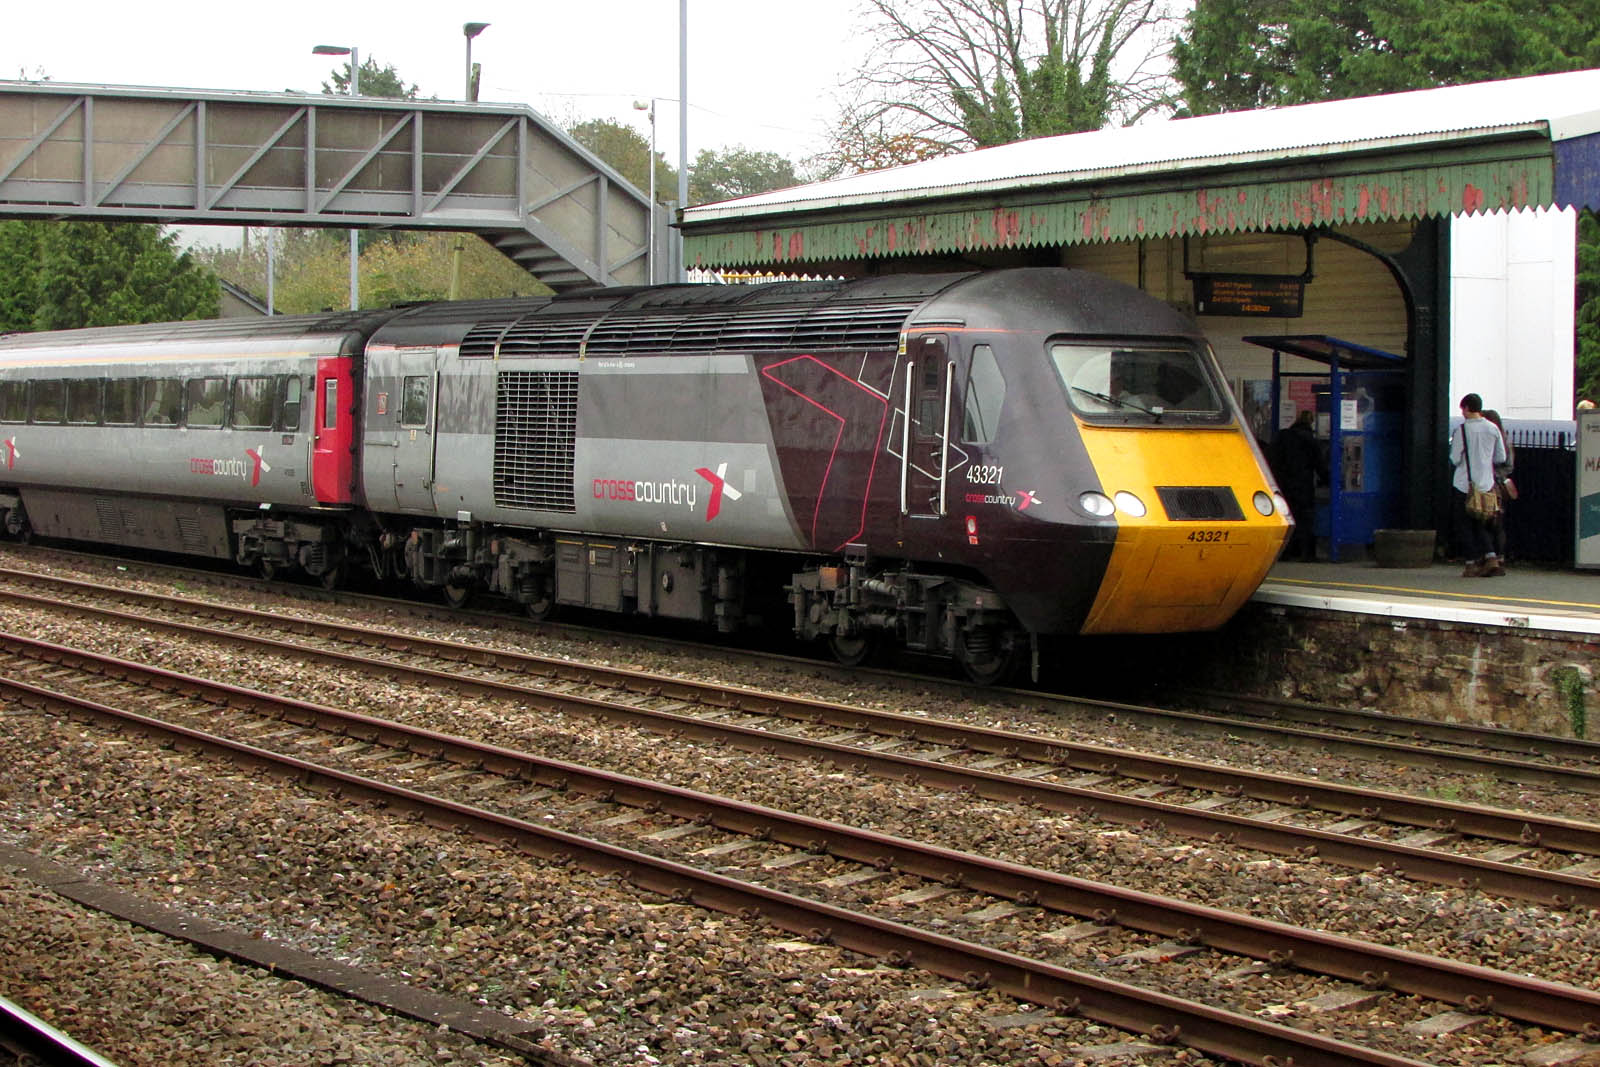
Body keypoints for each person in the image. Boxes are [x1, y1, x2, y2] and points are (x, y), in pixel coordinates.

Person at [1449, 393, 1508, 577]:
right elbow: (1501, 458)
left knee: (1463, 523)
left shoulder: (1462, 430)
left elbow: (1454, 458)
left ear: (1466, 408)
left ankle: (1471, 562)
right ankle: (1491, 557)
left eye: (1463, 409)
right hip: (1487, 485)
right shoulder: (1492, 428)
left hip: (1464, 485)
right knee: (1481, 522)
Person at [1273, 409, 1320, 561]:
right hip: (1302, 484)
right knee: (1305, 519)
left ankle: (1285, 552)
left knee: (1287, 517)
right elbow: (1319, 464)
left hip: (1283, 484)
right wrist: (1328, 479)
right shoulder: (1309, 440)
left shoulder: (1283, 436)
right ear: (1311, 422)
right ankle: (1307, 554)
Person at [1481, 409, 1514, 566]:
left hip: (1490, 484)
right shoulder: (1506, 440)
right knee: (1498, 522)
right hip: (1500, 484)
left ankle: (1491, 555)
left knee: (1486, 520)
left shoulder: (1492, 439)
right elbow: (1509, 466)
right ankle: (1499, 555)